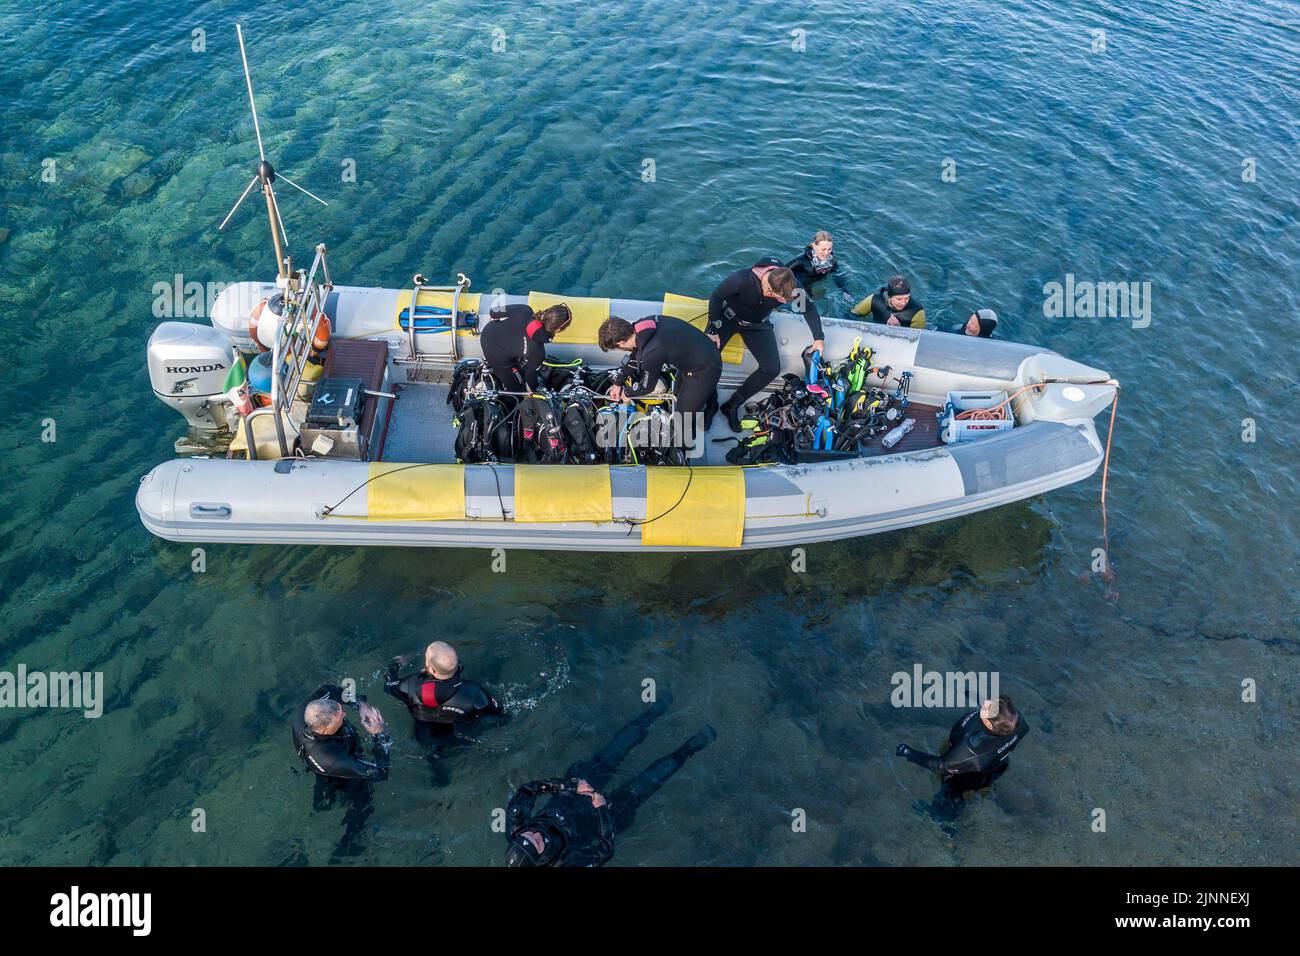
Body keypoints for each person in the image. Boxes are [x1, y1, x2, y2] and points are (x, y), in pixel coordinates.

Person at [504, 692, 715, 866]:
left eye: (530, 835)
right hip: (598, 820)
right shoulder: (564, 864)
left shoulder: (515, 827)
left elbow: (527, 790)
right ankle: (690, 748)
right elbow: (604, 850)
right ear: (541, 857)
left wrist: (571, 786)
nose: (536, 835)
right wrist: (602, 809)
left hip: (572, 795)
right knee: (645, 783)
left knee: (615, 750)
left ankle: (655, 711)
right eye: (538, 843)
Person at [708, 258, 824, 432]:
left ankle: (732, 405)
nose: (786, 302)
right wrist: (712, 329)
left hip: (757, 326)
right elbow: (716, 297)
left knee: (771, 368)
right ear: (769, 289)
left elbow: (808, 309)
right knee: (707, 360)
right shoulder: (742, 279)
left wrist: (818, 338)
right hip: (727, 320)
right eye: (782, 299)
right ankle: (710, 404)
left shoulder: (791, 287)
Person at [291, 684, 391, 860]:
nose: (344, 714)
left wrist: (361, 706)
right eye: (339, 717)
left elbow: (334, 689)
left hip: (322, 766)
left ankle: (323, 802)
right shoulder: (333, 758)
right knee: (362, 805)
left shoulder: (307, 711)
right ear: (323, 729)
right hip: (336, 768)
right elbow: (381, 773)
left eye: (339, 709)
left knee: (323, 795)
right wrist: (379, 735)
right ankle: (347, 847)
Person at [384, 641, 504, 785]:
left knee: (434, 753)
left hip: (424, 736)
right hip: (459, 735)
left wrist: (393, 666)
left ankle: (437, 769)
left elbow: (388, 686)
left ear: (433, 670)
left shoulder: (410, 684)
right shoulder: (473, 692)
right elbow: (496, 713)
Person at [895, 695, 1028, 817]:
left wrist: (909, 752)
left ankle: (945, 824)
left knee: (950, 797)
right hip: (999, 764)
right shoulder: (1017, 722)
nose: (986, 702)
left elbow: (941, 765)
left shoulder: (972, 752)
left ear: (988, 724)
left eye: (988, 707)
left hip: (971, 774)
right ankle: (984, 789)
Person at [597, 315, 722, 427]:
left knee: (681, 420)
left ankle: (691, 435)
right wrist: (618, 383)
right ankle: (707, 402)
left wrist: (627, 393)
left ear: (621, 343)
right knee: (677, 394)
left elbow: (646, 387)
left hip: (705, 369)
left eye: (617, 348)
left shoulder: (652, 352)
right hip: (698, 354)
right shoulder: (641, 326)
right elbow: (635, 356)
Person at [478, 302, 573, 393]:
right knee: (518, 389)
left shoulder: (525, 310)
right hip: (498, 358)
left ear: (547, 311)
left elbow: (493, 312)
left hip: (488, 331)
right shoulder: (538, 352)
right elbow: (529, 377)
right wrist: (536, 390)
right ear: (558, 329)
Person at [786, 230, 854, 326]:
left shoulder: (831, 262)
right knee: (801, 310)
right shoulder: (801, 260)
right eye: (823, 249)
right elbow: (783, 271)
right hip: (798, 284)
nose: (827, 253)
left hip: (814, 285)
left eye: (829, 249)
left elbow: (837, 276)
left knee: (824, 305)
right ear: (814, 246)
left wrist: (844, 291)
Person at [851, 274, 926, 329]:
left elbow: (917, 340)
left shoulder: (917, 312)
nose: (903, 303)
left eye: (907, 298)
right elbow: (851, 316)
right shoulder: (874, 300)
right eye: (899, 299)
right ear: (889, 296)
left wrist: (899, 330)